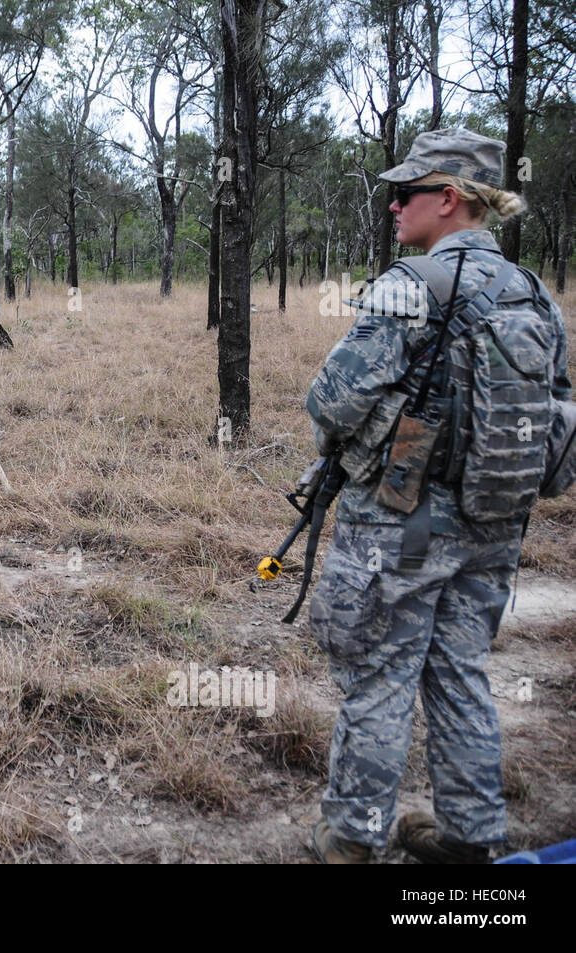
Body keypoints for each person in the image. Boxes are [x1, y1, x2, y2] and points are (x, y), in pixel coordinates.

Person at [305, 128, 568, 864]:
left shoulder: (411, 285)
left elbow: (330, 401)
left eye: (406, 193)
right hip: (497, 524)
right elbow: (558, 412)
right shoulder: (534, 293)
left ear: (447, 199)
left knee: (378, 673)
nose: (394, 206)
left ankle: (350, 836)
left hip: (403, 524)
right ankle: (472, 836)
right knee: (460, 674)